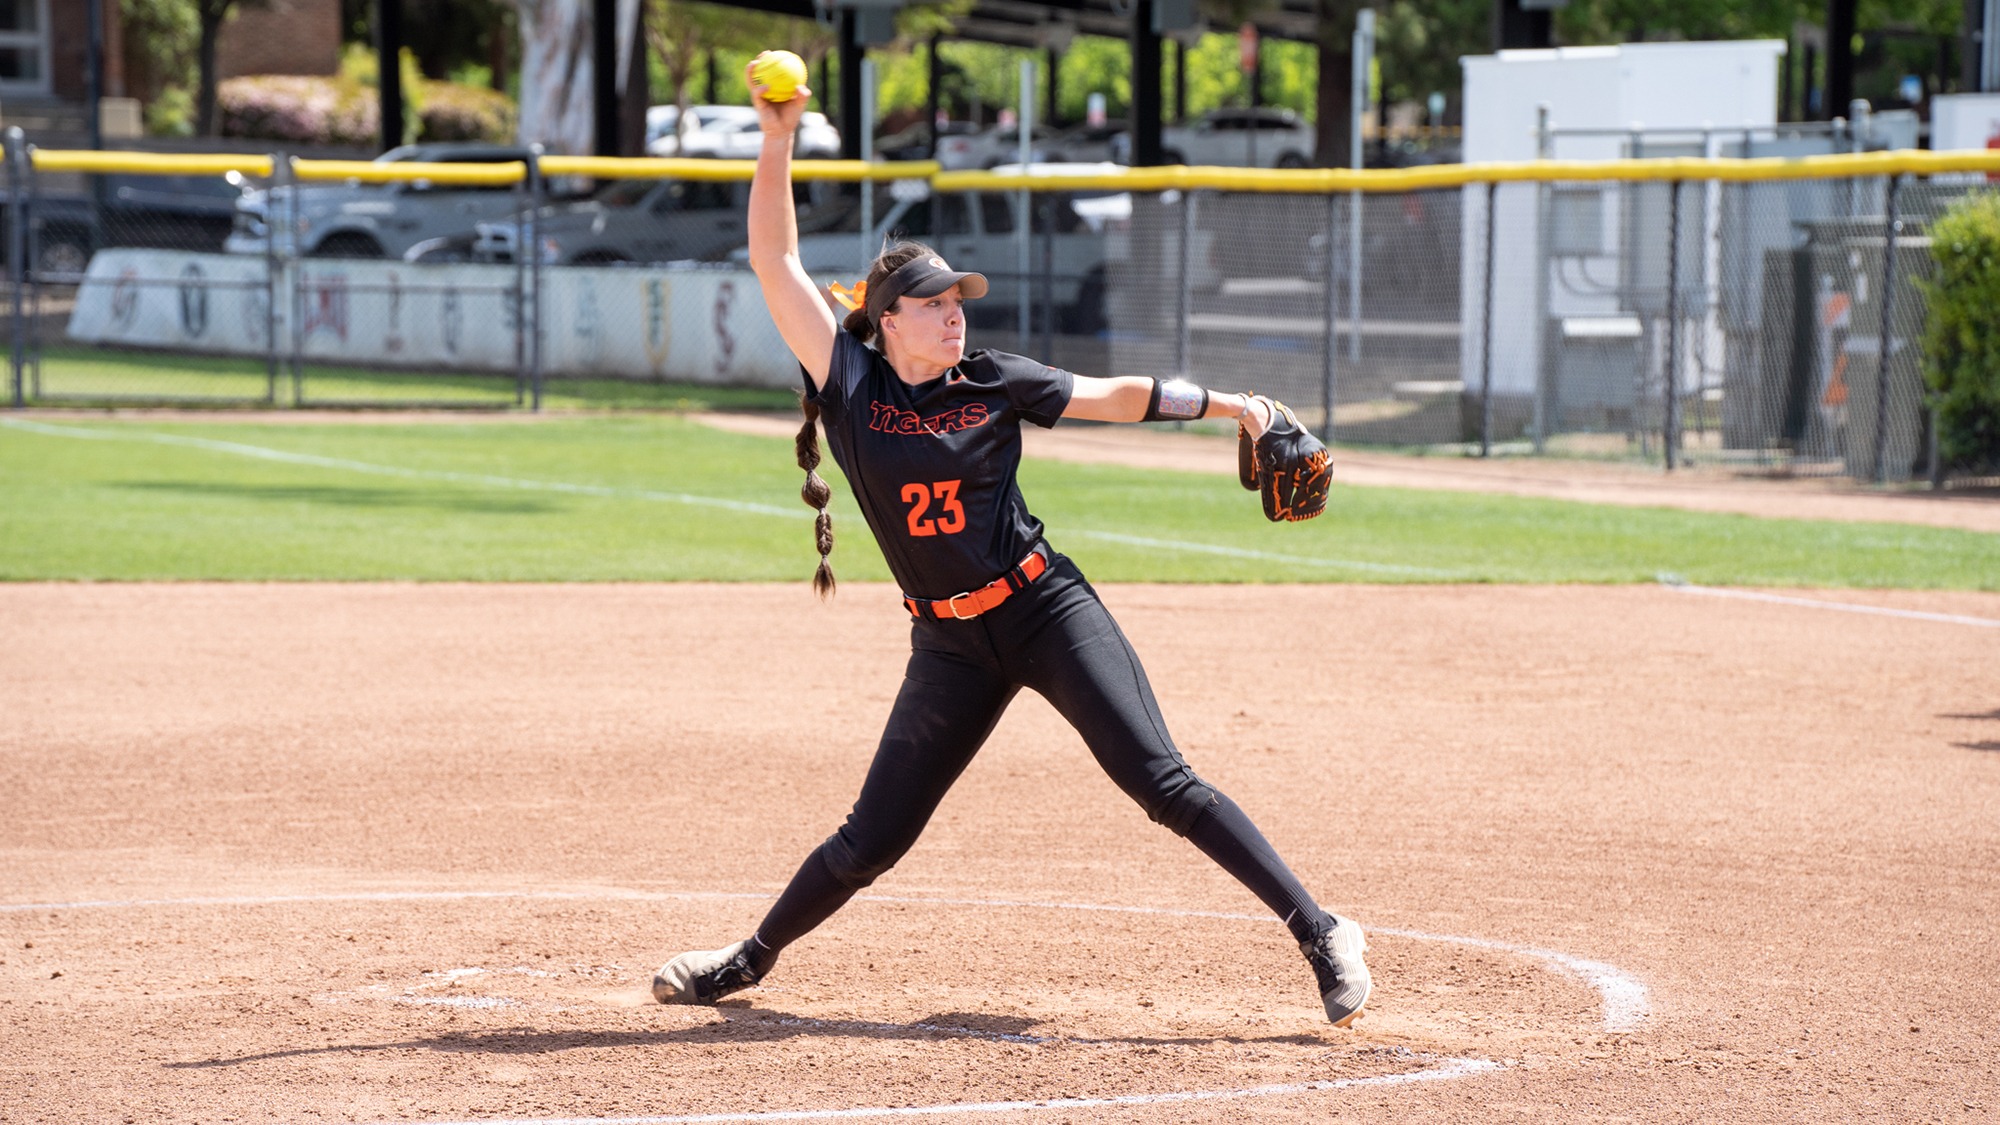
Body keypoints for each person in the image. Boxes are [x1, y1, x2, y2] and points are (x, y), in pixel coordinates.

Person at [651, 58, 1371, 1028]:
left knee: (1159, 783)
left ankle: (1321, 931)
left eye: (960, 299)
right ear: (885, 319)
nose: (955, 310)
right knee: (869, 840)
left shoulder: (991, 379)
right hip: (946, 646)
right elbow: (774, 264)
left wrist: (1232, 405)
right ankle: (746, 959)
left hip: (1042, 610)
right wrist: (776, 138)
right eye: (936, 301)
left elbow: (1111, 395)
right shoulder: (851, 382)